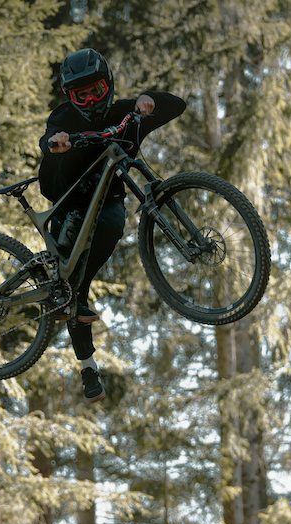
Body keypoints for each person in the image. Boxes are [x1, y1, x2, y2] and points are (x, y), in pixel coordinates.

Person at [38, 48, 186, 403]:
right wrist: (56, 143)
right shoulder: (63, 117)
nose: (90, 101)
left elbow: (176, 105)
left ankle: (85, 355)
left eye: (96, 91)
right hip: (67, 197)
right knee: (73, 285)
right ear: (69, 97)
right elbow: (49, 136)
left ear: (110, 86)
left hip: (107, 204)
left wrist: (150, 100)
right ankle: (87, 365)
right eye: (81, 95)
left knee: (99, 245)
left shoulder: (126, 115)